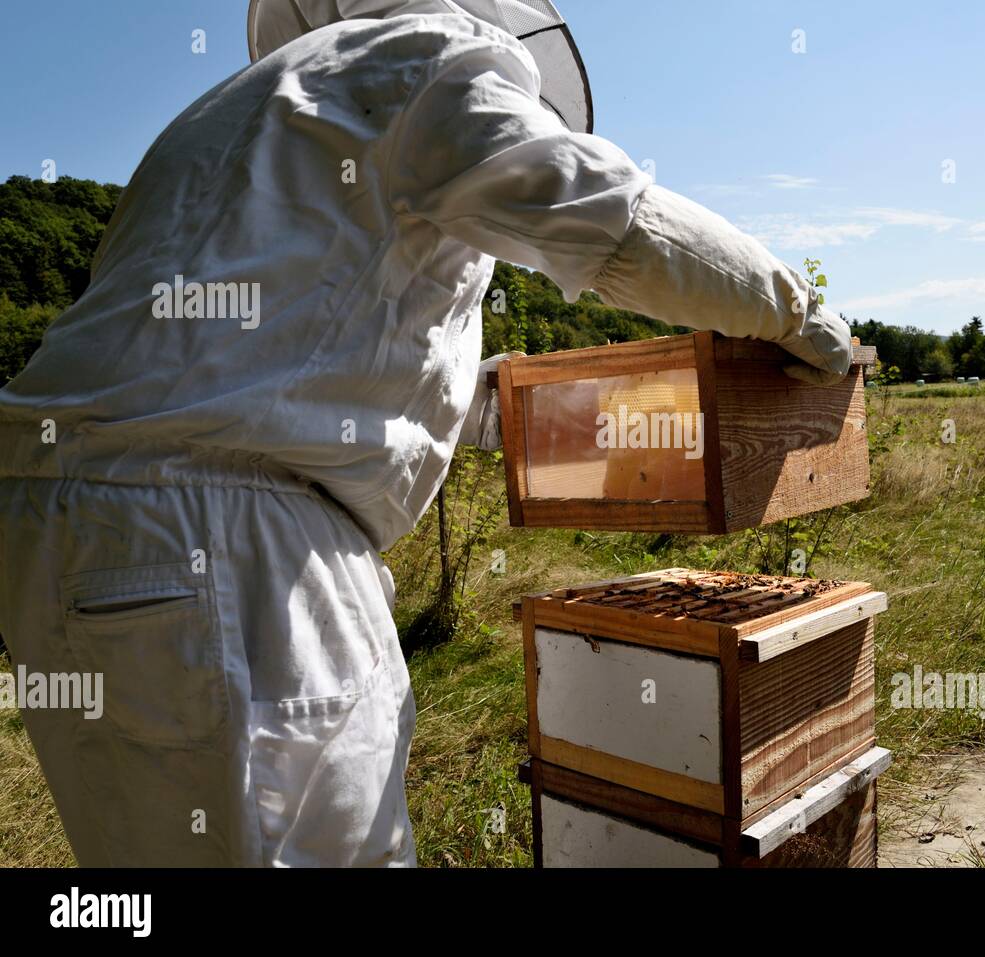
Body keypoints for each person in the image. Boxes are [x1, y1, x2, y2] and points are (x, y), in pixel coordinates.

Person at [0, 0, 851, 866]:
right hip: (223, 538)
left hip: (61, 528)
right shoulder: (430, 55)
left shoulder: (247, 117)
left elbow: (365, 373)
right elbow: (610, 216)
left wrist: (578, 411)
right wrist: (791, 309)